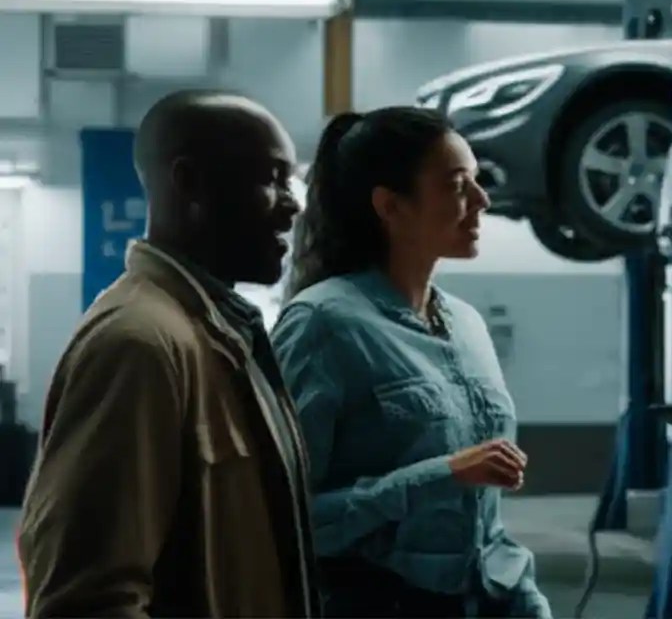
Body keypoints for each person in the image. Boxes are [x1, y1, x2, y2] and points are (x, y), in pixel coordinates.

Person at [18, 90, 316, 617]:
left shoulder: (218, 333)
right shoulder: (139, 344)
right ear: (189, 182)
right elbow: (86, 598)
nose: (293, 203)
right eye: (271, 178)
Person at [271, 107, 551, 618]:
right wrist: (438, 475)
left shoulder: (466, 324)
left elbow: (485, 520)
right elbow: (282, 519)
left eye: (479, 183)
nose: (482, 201)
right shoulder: (322, 324)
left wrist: (527, 602)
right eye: (458, 185)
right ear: (391, 206)